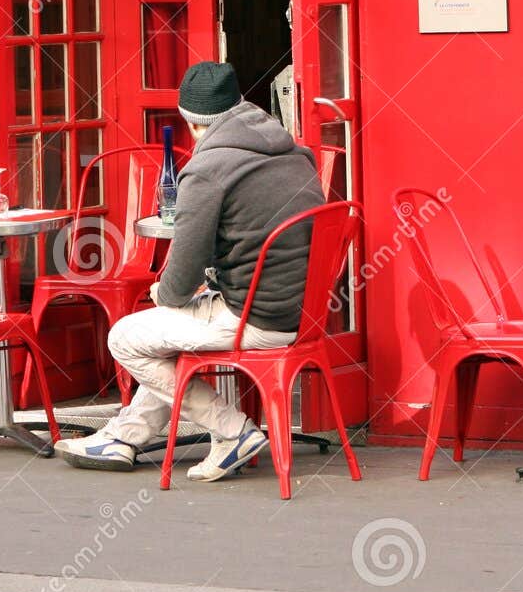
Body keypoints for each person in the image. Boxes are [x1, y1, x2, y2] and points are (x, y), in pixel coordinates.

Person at [56, 61, 325, 480]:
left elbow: (181, 277)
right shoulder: (294, 153)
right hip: (305, 314)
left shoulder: (207, 170)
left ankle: (231, 429)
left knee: (126, 338)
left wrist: (164, 295)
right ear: (239, 105)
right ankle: (124, 438)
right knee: (170, 334)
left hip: (254, 318)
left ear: (190, 121)